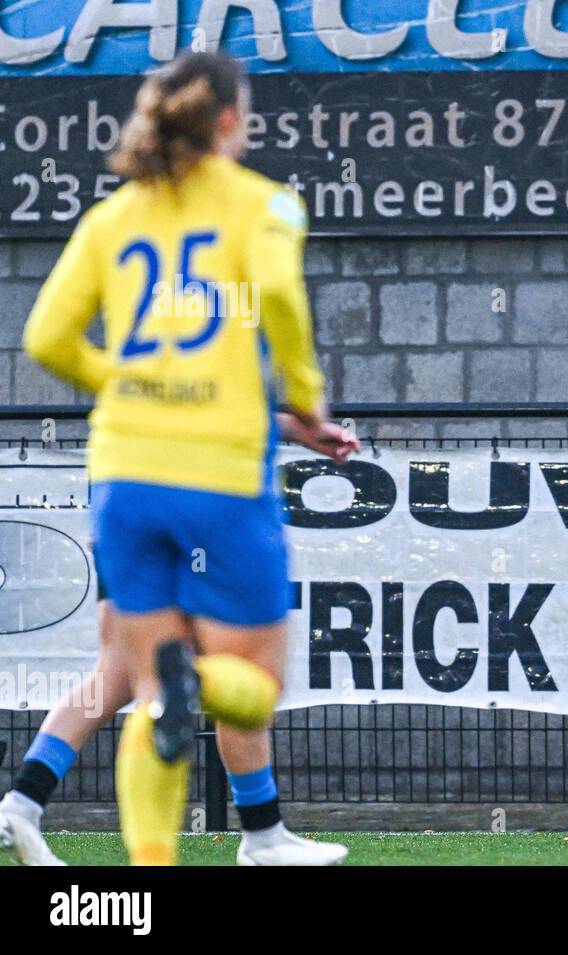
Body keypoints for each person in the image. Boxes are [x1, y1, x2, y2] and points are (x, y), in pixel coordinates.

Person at [10, 50, 349, 866]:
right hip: (217, 478)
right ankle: (256, 834)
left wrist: (125, 386)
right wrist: (306, 401)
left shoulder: (114, 218)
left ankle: (121, 843)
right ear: (229, 119)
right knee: (231, 682)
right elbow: (278, 311)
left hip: (126, 472)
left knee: (138, 680)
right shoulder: (259, 210)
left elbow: (51, 339)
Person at [0, 414, 358, 867]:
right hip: (192, 485)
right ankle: (261, 831)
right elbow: (220, 394)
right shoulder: (225, 348)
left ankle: (23, 802)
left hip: (122, 487)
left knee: (118, 672)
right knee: (222, 665)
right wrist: (296, 425)